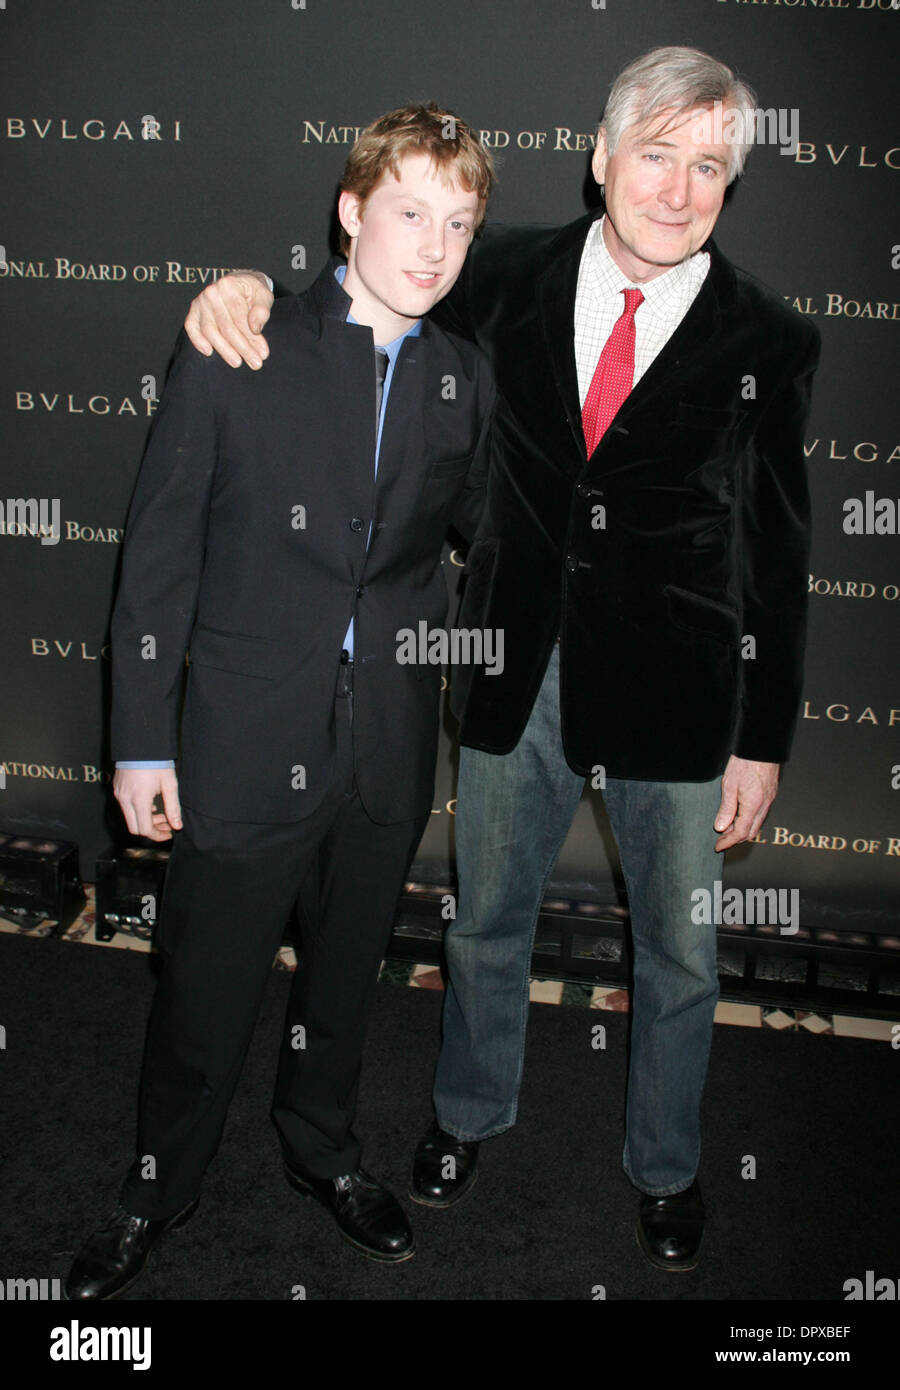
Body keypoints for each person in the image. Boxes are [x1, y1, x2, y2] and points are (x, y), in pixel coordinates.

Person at [182, 46, 820, 1273]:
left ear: (729, 186)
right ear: (601, 158)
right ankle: (467, 1117)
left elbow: (776, 555)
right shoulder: (498, 271)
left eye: (709, 168)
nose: (679, 190)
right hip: (507, 672)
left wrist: (763, 734)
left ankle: (668, 1165)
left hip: (682, 693)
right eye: (657, 156)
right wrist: (242, 284)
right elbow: (367, 288)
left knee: (681, 948)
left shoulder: (771, 340)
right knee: (487, 923)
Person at [65, 103, 495, 1301]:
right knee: (205, 986)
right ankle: (156, 1183)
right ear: (351, 211)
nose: (432, 247)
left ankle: (324, 1151)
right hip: (245, 740)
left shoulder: (463, 377)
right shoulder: (237, 343)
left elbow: (490, 536)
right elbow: (157, 560)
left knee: (347, 976)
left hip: (389, 748)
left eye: (458, 225)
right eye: (410, 213)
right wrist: (142, 740)